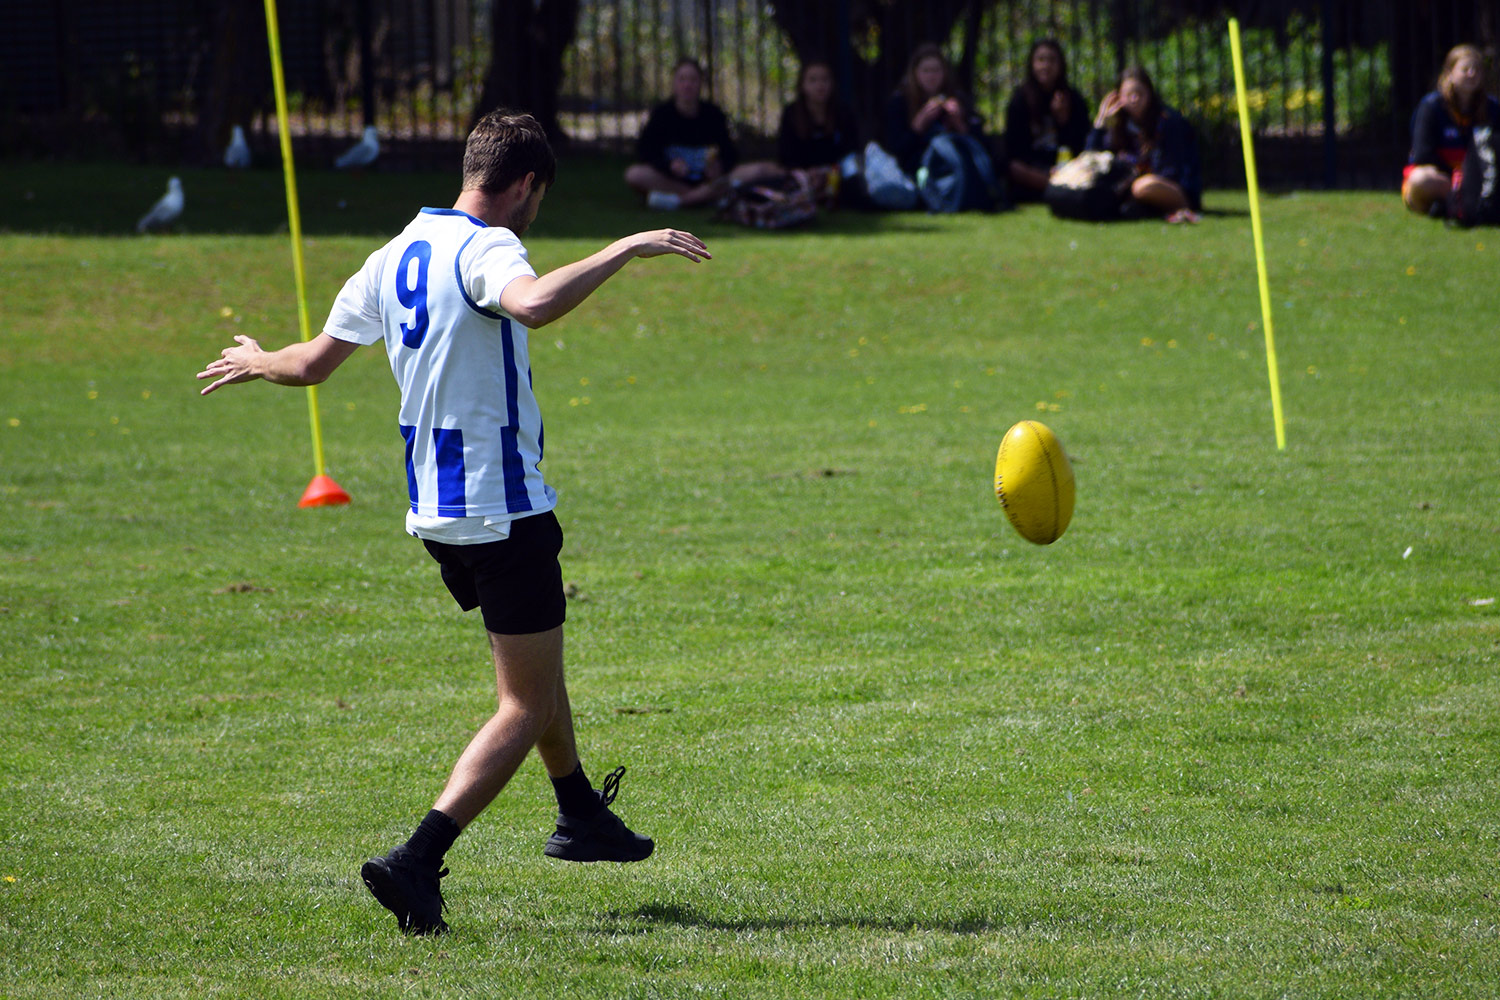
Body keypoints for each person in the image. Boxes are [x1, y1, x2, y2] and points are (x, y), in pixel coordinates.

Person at [197, 110, 712, 936]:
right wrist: (625, 247)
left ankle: (580, 812)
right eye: (539, 199)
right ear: (526, 184)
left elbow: (315, 362)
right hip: (500, 507)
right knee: (522, 704)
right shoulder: (488, 247)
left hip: (437, 511)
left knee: (538, 663)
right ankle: (417, 858)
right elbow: (533, 305)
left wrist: (259, 360)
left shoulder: (395, 252)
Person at [625, 57, 781, 210]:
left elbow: (730, 153)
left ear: (701, 84)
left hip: (711, 180)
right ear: (674, 84)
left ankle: (682, 201)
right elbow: (646, 151)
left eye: (693, 80)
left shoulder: (713, 115)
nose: (687, 85)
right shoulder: (662, 115)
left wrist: (719, 166)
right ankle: (705, 197)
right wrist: (669, 166)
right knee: (634, 174)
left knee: (762, 170)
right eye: (682, 79)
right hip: (675, 181)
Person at [1086, 65, 1202, 223]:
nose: (1134, 99)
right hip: (1130, 187)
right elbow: (1091, 160)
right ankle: (1138, 208)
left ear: (1150, 94)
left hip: (1172, 190)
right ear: (1118, 97)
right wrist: (1100, 124)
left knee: (1143, 186)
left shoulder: (1168, 121)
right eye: (1128, 95)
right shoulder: (1118, 124)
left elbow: (1172, 171)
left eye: (1139, 93)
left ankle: (1142, 206)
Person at [1403, 44, 1499, 217]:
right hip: (1443, 179)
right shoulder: (1431, 106)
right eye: (1465, 69)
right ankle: (1448, 203)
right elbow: (1422, 156)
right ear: (1450, 73)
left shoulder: (1492, 108)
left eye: (1476, 70)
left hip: (1478, 180)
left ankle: (1454, 206)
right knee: (1421, 180)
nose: (1472, 74)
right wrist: (1455, 178)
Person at [1004, 39, 1091, 201]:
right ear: (1032, 64)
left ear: (1061, 65)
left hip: (1065, 165)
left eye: (1052, 60)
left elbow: (1081, 144)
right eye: (1041, 60)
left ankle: (1060, 188)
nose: (1046, 66)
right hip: (1034, 170)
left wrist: (1063, 120)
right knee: (1015, 168)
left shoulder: (1073, 99)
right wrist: (1044, 170)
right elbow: (1015, 150)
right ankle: (1056, 188)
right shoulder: (1021, 99)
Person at [884, 43, 985, 177]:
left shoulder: (957, 98)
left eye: (936, 70)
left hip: (956, 170)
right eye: (926, 71)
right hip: (919, 172)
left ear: (944, 72)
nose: (931, 76)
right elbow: (896, 151)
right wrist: (918, 125)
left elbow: (982, 147)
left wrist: (959, 124)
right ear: (915, 73)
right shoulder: (900, 101)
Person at [777, 60, 859, 172]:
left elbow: (852, 152)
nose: (820, 86)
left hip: (837, 174)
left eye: (825, 79)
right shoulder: (791, 113)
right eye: (813, 80)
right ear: (802, 85)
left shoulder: (843, 113)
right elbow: (785, 156)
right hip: (802, 176)